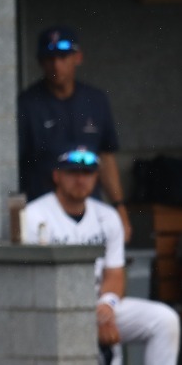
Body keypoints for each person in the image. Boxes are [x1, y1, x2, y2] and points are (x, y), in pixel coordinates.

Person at [22, 148, 182, 365]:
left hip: (100, 305)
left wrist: (105, 308)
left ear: (96, 178)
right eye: (72, 173)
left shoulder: (106, 216)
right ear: (57, 176)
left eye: (87, 173)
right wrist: (86, 314)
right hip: (55, 310)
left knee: (163, 319)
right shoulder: (34, 215)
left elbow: (114, 274)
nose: (80, 180)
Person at [18, 25, 131, 242]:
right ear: (40, 62)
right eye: (49, 58)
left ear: (78, 57)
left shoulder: (95, 100)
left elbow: (106, 157)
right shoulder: (27, 104)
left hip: (89, 209)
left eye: (63, 56)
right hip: (43, 214)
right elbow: (16, 164)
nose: (56, 65)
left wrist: (120, 209)